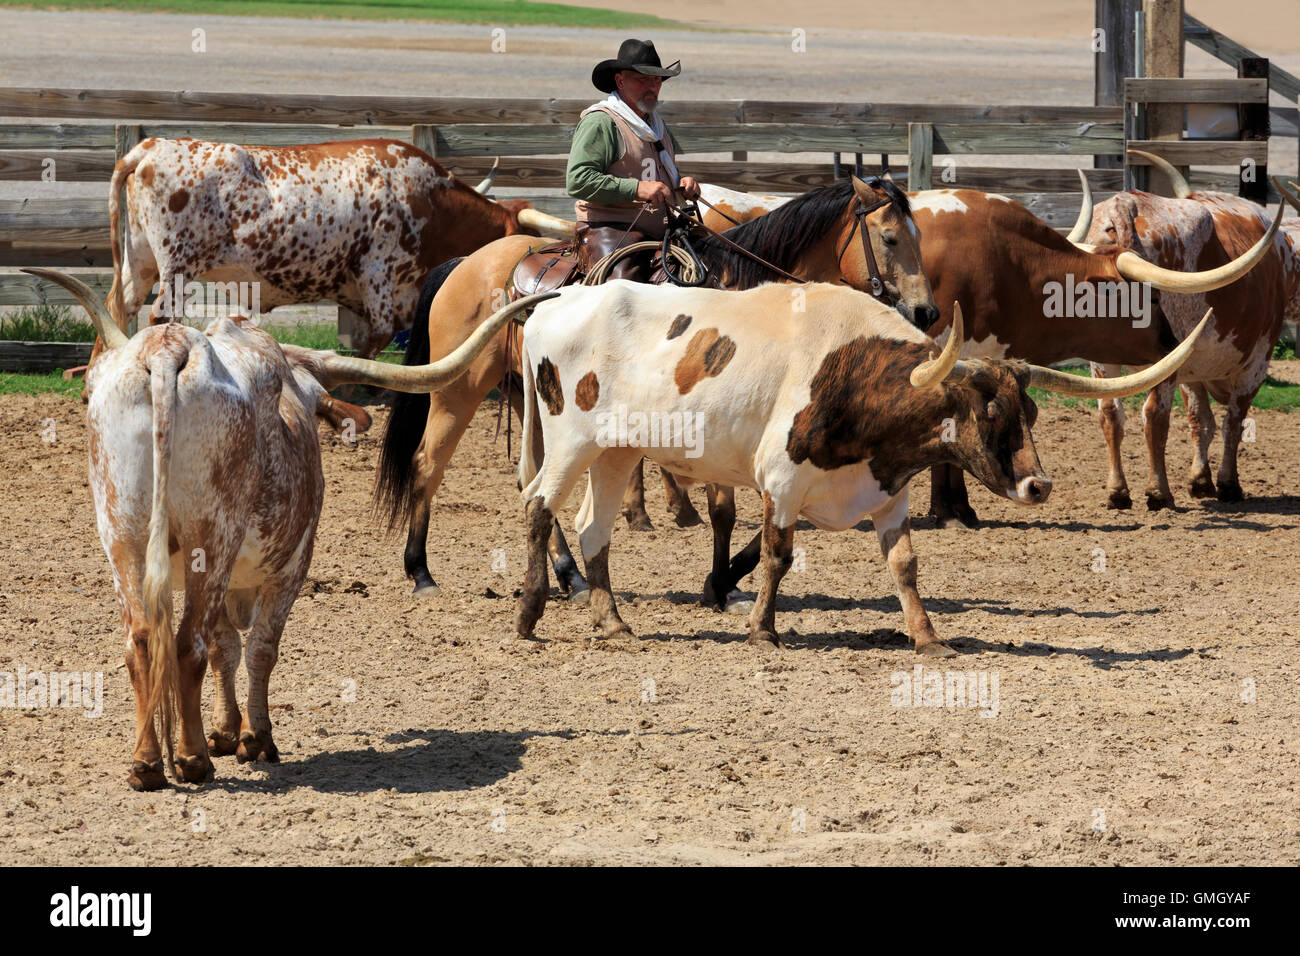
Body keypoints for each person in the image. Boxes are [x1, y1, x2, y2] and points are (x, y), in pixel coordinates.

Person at [566, 39, 701, 280]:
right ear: (620, 81)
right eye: (642, 79)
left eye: (656, 80)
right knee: (623, 293)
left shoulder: (656, 126)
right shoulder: (601, 122)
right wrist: (637, 189)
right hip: (611, 227)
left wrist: (681, 184)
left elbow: (657, 173)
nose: (652, 87)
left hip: (662, 228)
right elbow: (578, 181)